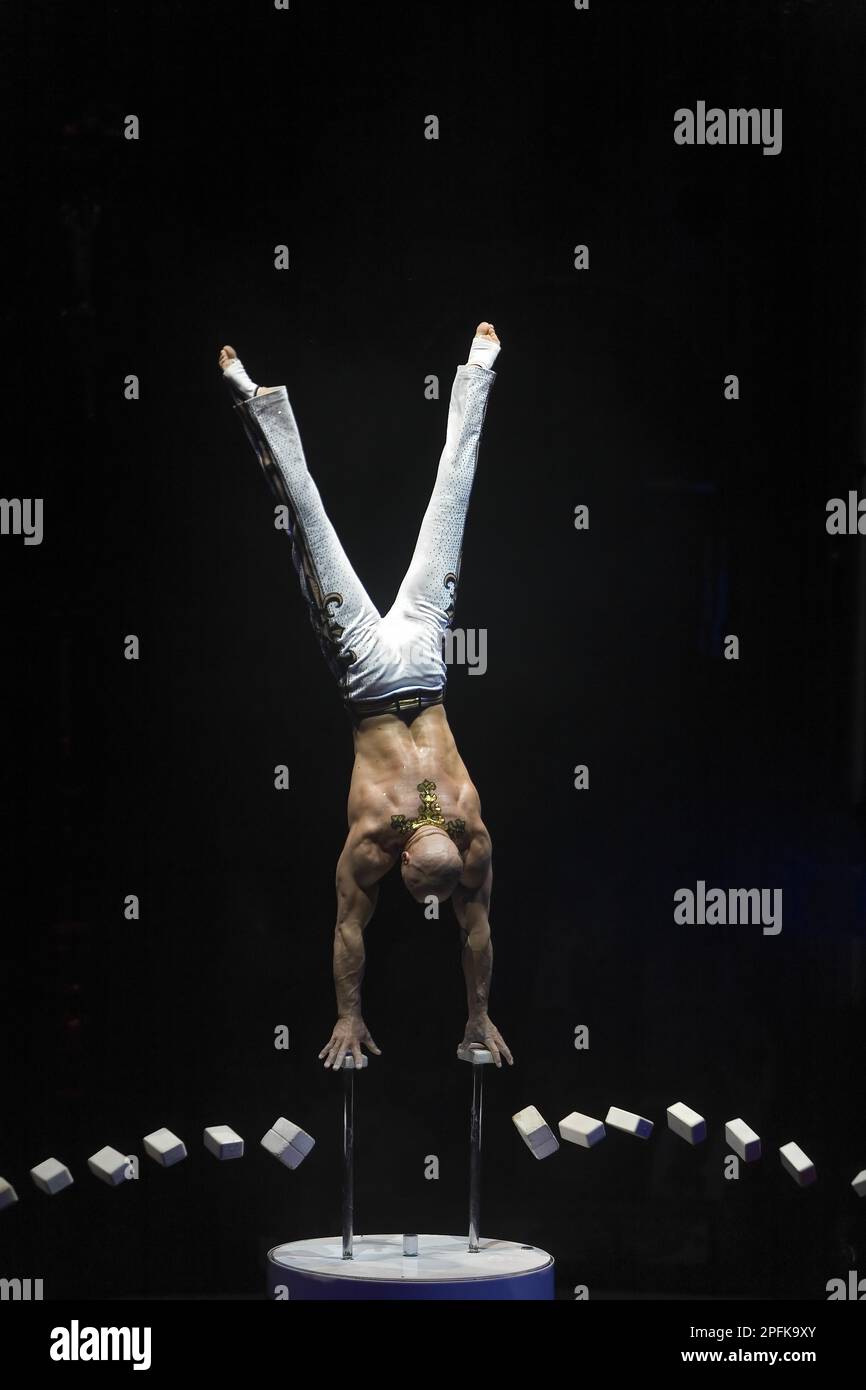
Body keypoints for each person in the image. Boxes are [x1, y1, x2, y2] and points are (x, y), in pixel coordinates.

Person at [219, 324, 513, 1071]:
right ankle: (252, 400)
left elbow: (466, 927)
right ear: (406, 859)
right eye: (417, 892)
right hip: (368, 679)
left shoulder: (472, 825)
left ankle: (479, 368)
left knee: (454, 495)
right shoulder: (381, 832)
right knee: (308, 522)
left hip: (425, 663)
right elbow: (358, 927)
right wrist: (364, 1016)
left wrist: (477, 1016)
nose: (417, 901)